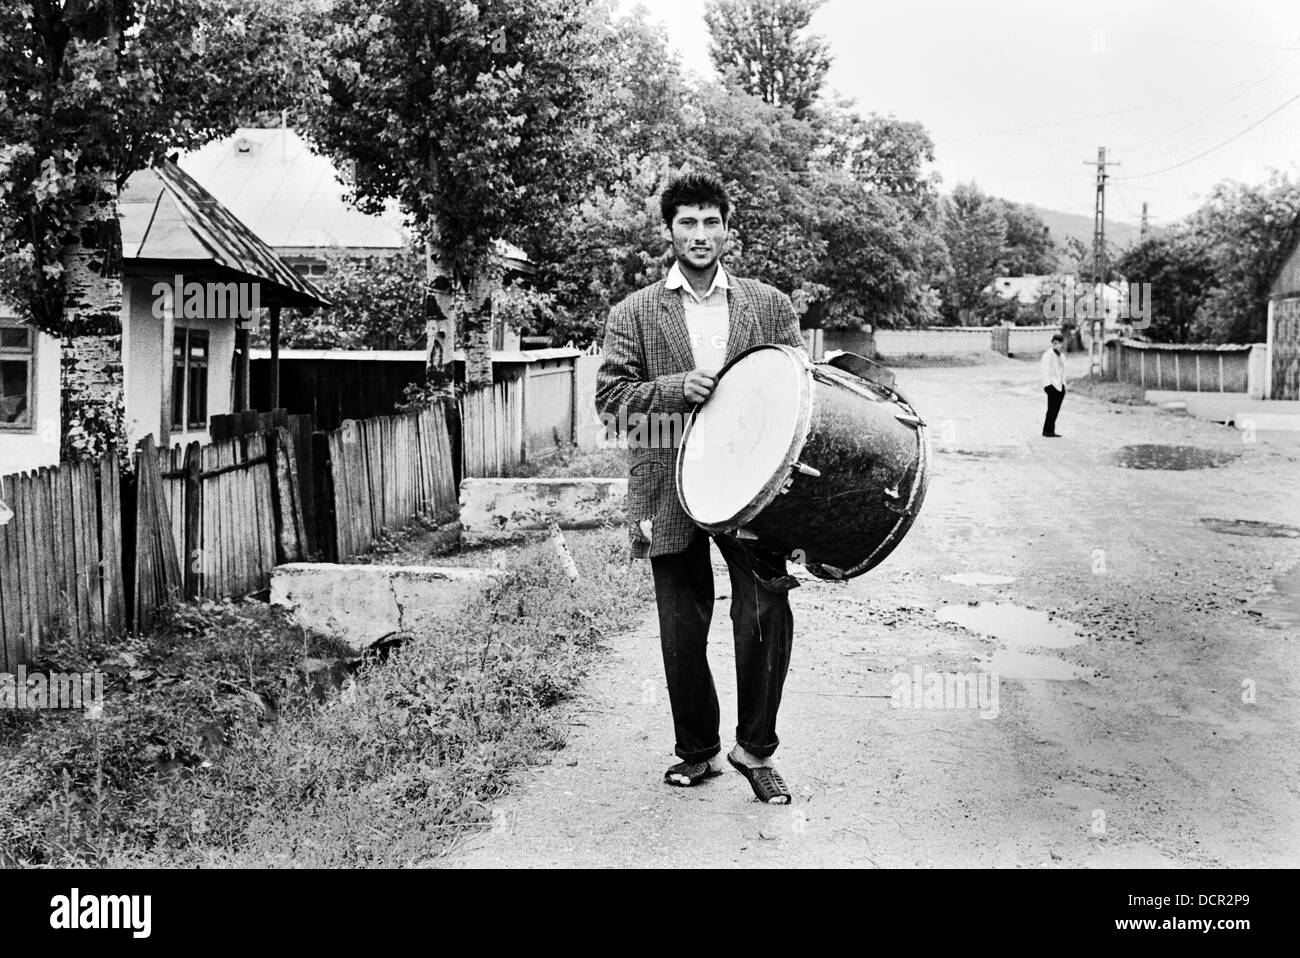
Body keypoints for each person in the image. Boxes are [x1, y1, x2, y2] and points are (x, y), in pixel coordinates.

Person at [595, 172, 805, 804]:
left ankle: (756, 749)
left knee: (764, 613)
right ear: (669, 232)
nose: (701, 234)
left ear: (727, 229)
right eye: (687, 222)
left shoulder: (770, 305)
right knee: (682, 629)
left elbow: (798, 392)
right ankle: (698, 751)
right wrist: (672, 390)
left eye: (711, 221)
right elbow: (611, 405)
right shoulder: (632, 313)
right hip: (668, 488)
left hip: (754, 490)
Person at [1041, 333, 1066, 437]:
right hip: (1051, 385)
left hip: (1060, 386)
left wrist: (1064, 385)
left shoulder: (1061, 356)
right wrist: (1048, 385)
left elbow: (1063, 371)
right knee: (1051, 409)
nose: (1057, 345)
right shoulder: (1048, 355)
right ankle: (1047, 431)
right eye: (1055, 343)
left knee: (1056, 409)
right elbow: (1045, 370)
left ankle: (1051, 430)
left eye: (1059, 343)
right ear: (1052, 343)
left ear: (1062, 344)